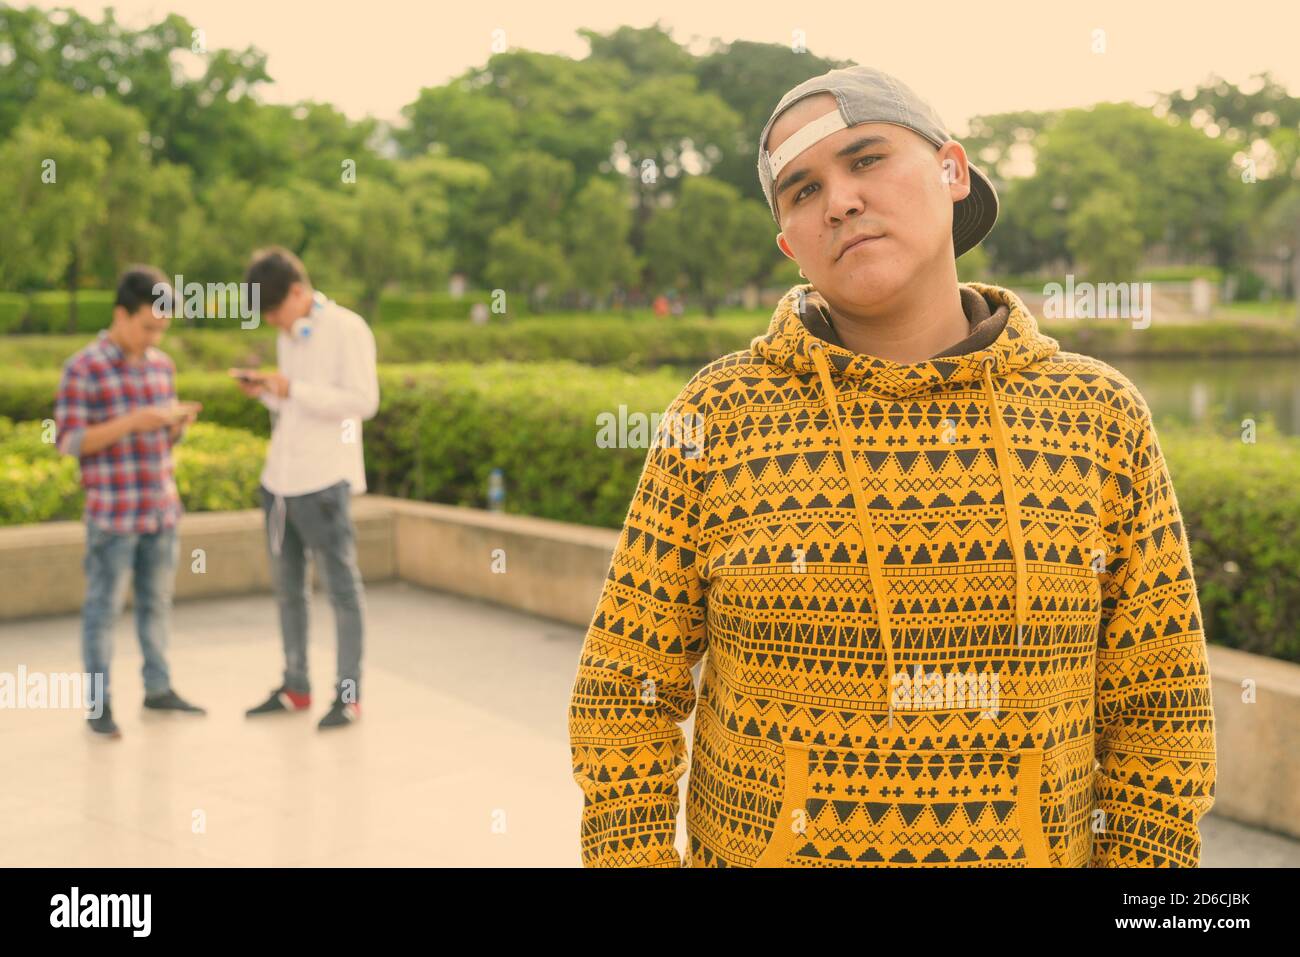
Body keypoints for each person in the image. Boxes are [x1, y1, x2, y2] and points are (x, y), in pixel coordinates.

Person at [568, 66, 1216, 868]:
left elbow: (1162, 713)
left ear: (952, 171)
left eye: (865, 160)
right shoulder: (720, 416)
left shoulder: (1098, 418)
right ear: (789, 244)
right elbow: (622, 691)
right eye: (802, 191)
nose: (838, 200)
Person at [55, 265, 205, 737]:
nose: (153, 337)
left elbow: (162, 440)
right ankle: (99, 707)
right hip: (113, 514)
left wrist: (175, 426)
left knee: (157, 604)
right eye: (147, 327)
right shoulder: (85, 367)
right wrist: (132, 422)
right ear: (121, 314)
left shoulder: (162, 365)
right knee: (103, 610)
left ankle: (158, 689)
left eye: (162, 329)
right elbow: (70, 441)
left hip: (160, 509)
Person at [232, 247, 379, 731]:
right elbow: (293, 409)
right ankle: (296, 686)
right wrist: (269, 393)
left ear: (298, 291)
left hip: (323, 481)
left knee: (342, 591)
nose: (273, 322)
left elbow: (364, 401)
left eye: (275, 311)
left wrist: (293, 389)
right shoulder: (288, 337)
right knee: (287, 591)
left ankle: (348, 695)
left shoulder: (348, 328)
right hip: (279, 480)